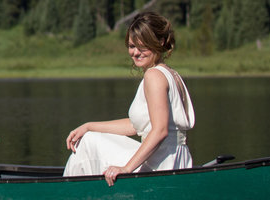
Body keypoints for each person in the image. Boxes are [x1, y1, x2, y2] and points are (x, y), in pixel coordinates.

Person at [63, 11, 194, 184]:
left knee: (87, 143)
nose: (135, 53)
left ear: (160, 43)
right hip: (175, 158)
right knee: (89, 135)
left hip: (163, 163)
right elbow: (136, 126)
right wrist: (89, 126)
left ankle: (67, 198)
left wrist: (126, 168)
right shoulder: (170, 73)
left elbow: (160, 130)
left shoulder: (154, 76)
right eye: (132, 46)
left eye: (143, 47)